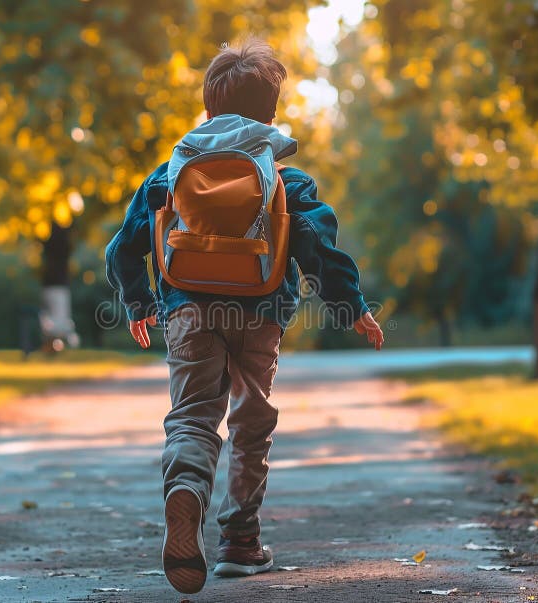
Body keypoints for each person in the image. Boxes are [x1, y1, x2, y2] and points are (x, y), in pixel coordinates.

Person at [105, 38, 384, 595]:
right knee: (251, 420)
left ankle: (186, 489)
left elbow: (122, 248)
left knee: (192, 416)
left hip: (186, 309)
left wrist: (139, 303)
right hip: (260, 312)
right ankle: (240, 540)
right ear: (272, 113)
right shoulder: (285, 176)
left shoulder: (172, 171)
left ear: (206, 109)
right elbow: (315, 245)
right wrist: (351, 308)